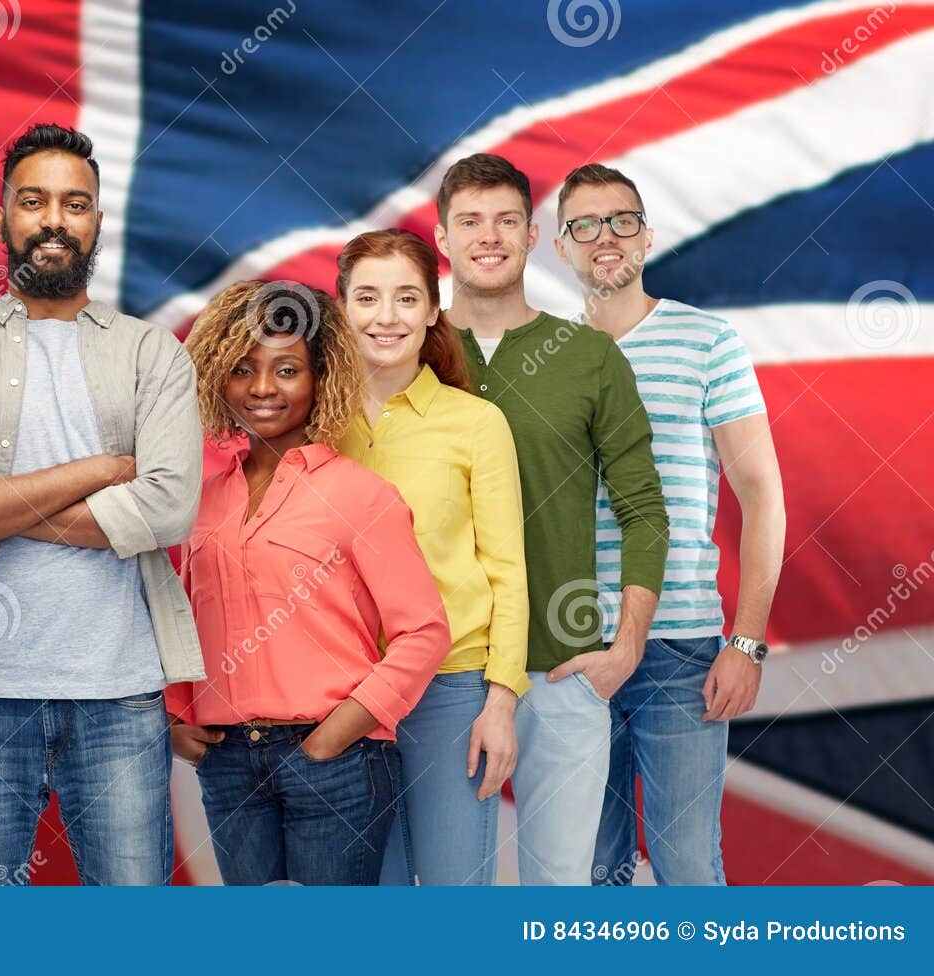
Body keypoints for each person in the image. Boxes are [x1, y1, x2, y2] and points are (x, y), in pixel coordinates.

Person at [0, 123, 204, 886]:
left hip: (120, 696)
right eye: (33, 202)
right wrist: (102, 470)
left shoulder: (152, 353)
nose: (54, 220)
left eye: (75, 203)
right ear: (3, 219)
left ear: (97, 222)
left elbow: (165, 512)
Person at [164, 280, 452, 885]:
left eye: (287, 369)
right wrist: (174, 718)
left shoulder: (361, 495)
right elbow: (174, 621)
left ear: (321, 379)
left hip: (336, 760)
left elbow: (423, 631)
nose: (263, 388)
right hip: (227, 763)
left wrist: (336, 736)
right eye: (243, 368)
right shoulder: (197, 504)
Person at [433, 153, 668, 885]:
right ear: (442, 237)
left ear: (534, 236)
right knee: (444, 898)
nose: (489, 236)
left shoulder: (589, 356)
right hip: (441, 669)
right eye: (470, 221)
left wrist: (625, 648)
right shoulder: (407, 348)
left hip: (563, 664)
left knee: (562, 896)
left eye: (507, 220)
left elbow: (644, 511)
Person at [553, 164, 786, 886]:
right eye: (584, 225)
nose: (605, 237)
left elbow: (763, 496)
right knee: (593, 868)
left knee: (686, 868)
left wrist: (746, 643)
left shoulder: (707, 342)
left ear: (647, 236)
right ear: (560, 247)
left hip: (681, 648)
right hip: (569, 647)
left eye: (622, 220)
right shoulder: (544, 355)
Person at [335, 230, 529, 885]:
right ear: (341, 310)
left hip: (453, 692)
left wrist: (499, 704)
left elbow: (508, 571)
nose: (386, 316)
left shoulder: (476, 424)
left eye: (405, 297)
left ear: (431, 311)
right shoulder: (313, 427)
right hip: (348, 697)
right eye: (367, 297)